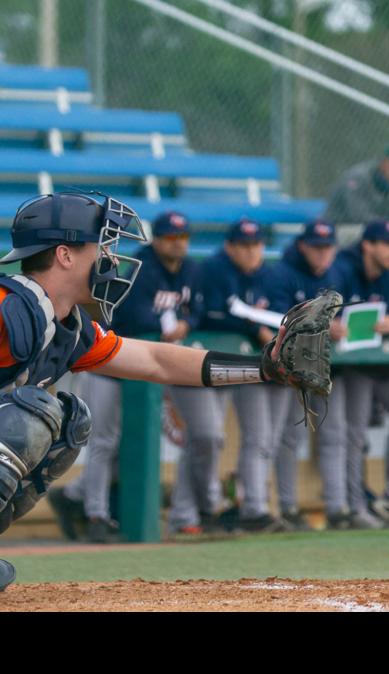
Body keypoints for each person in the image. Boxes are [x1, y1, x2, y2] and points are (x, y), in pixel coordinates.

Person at [2, 192, 329, 591]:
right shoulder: (10, 307)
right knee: (29, 418)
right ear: (65, 255)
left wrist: (266, 367)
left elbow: (158, 361)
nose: (110, 257)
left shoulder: (69, 326)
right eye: (100, 245)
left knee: (68, 425)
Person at [50, 209, 196, 542]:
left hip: (144, 364)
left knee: (123, 446)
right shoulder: (140, 268)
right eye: (172, 238)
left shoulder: (190, 270)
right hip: (109, 362)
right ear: (158, 239)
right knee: (104, 441)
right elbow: (134, 314)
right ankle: (96, 514)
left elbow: (198, 308)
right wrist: (170, 325)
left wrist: (185, 323)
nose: (178, 244)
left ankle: (73, 496)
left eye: (183, 238)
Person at [318, 219, 389, 529]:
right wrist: (332, 322)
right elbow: (323, 309)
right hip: (349, 367)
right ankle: (353, 508)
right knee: (352, 434)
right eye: (387, 244)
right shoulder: (343, 268)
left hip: (383, 363)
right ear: (368, 245)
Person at [191, 217, 287, 533]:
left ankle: (254, 507)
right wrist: (254, 328)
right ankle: (203, 510)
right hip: (208, 361)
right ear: (230, 247)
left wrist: (266, 331)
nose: (251, 252)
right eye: (243, 246)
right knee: (208, 436)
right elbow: (213, 314)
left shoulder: (268, 275)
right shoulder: (214, 269)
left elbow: (280, 311)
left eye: (255, 245)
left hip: (254, 363)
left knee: (260, 437)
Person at [264, 217, 346, 530]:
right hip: (289, 367)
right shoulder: (282, 274)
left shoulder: (337, 273)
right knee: (288, 436)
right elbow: (276, 321)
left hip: (326, 365)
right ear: (303, 246)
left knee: (334, 433)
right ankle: (286, 507)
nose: (322, 254)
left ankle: (338, 508)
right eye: (316, 248)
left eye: (327, 248)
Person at [325, 143, 389, 244]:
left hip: (375, 229)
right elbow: (359, 217)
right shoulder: (358, 177)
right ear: (386, 162)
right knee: (375, 233)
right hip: (337, 229)